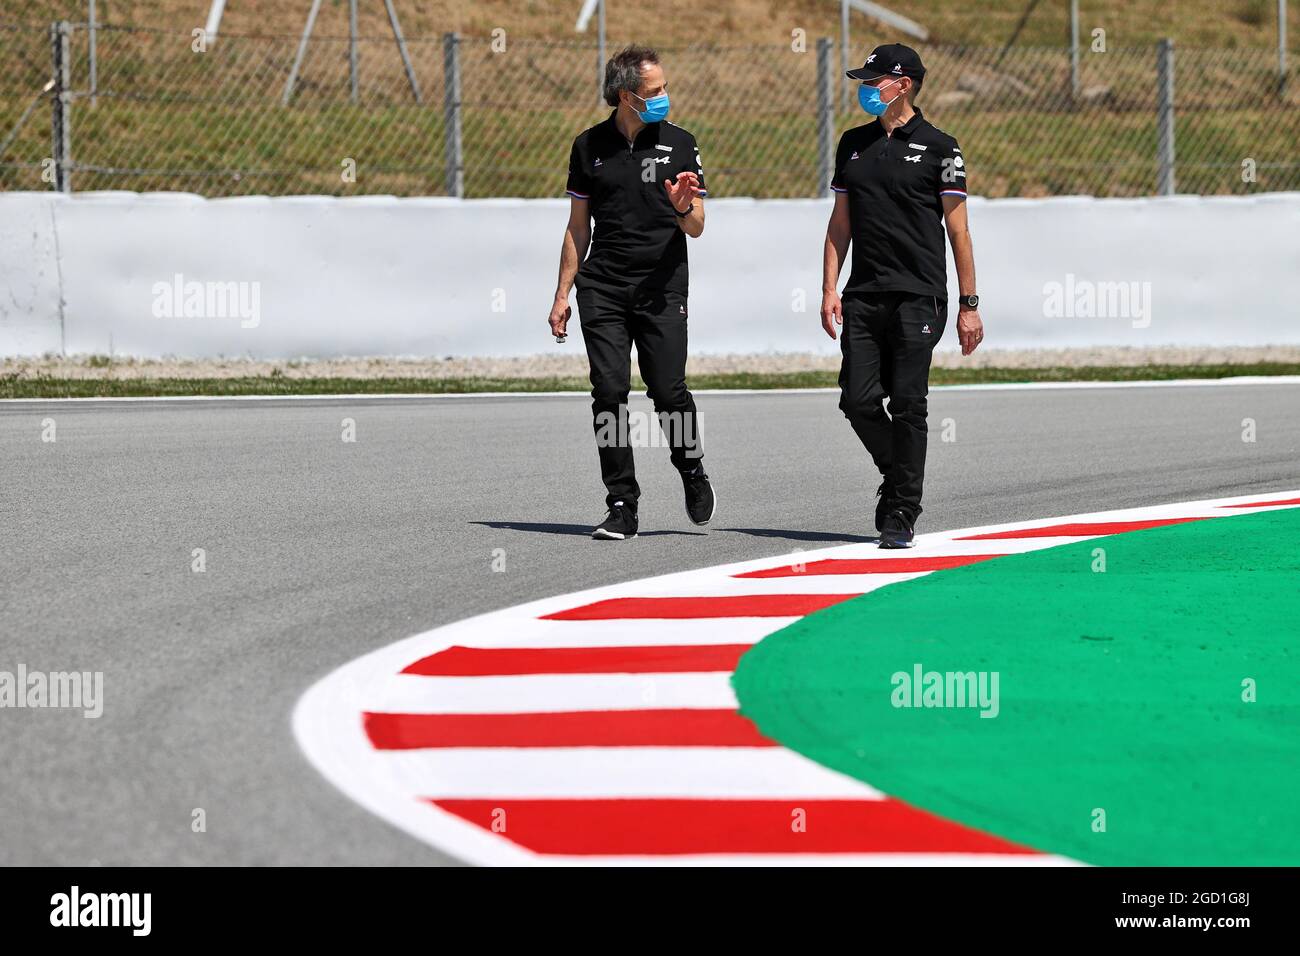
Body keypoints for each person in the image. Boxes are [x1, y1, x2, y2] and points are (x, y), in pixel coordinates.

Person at [821, 43, 985, 548]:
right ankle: (898, 476)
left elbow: (958, 231)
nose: (866, 89)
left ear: (903, 84)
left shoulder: (941, 146)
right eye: (864, 82)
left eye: (874, 81)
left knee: (909, 403)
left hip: (920, 295)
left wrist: (969, 304)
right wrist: (829, 285)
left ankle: (902, 509)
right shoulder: (852, 143)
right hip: (864, 293)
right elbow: (840, 223)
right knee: (858, 399)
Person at [548, 45, 715, 541]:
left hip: (662, 287)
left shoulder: (681, 144)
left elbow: (699, 227)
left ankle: (691, 469)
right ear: (626, 96)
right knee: (609, 392)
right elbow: (577, 227)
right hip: (602, 287)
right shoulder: (588, 146)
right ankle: (621, 502)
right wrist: (562, 294)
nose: (665, 97)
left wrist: (684, 207)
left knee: (667, 390)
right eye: (656, 91)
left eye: (665, 88)